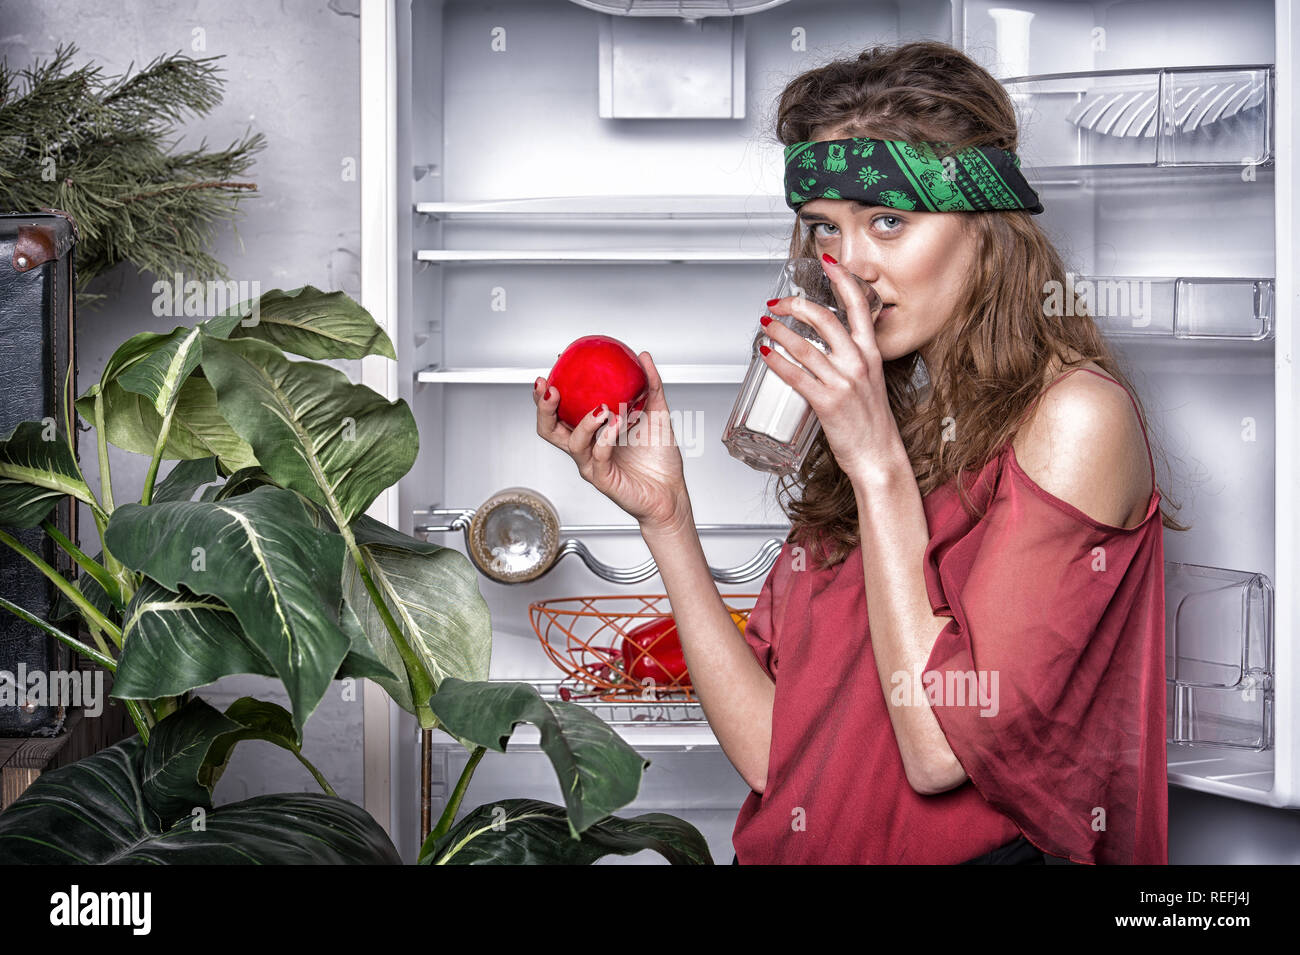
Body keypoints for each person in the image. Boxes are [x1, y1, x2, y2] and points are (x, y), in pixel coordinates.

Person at [532, 40, 1182, 865]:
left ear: (988, 226)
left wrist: (877, 466)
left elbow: (940, 751)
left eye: (888, 222)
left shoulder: (1075, 419)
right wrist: (667, 518)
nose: (851, 268)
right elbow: (779, 753)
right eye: (822, 229)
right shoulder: (882, 417)